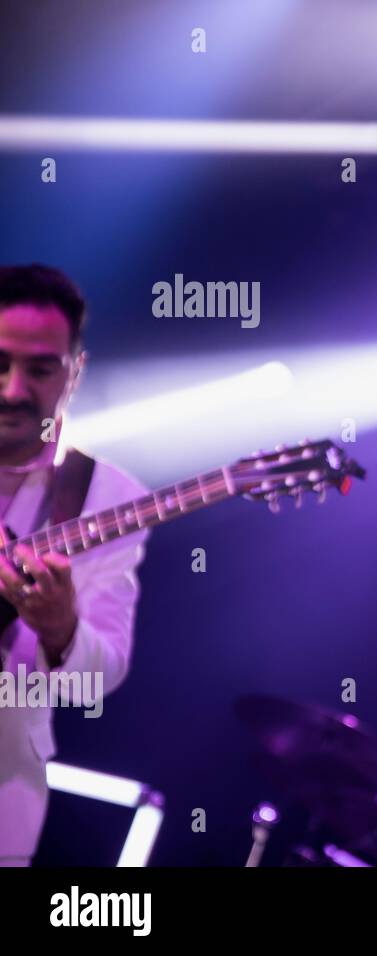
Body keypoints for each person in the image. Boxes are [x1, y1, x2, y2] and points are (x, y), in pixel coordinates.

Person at [0, 264, 150, 866]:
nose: (13, 389)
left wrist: (60, 628)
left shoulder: (107, 497)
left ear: (75, 372)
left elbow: (102, 675)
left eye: (39, 369)